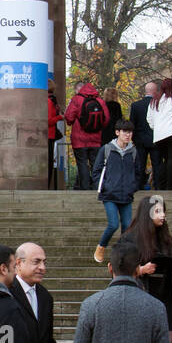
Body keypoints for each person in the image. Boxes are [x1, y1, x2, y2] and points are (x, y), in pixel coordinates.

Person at [124, 194, 172, 343]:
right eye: (157, 211)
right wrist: (141, 270)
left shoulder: (166, 237)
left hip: (166, 291)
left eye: (163, 211)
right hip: (143, 290)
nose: (162, 215)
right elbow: (120, 266)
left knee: (170, 339)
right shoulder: (130, 237)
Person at [91, 119, 137, 264]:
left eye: (130, 132)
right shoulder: (107, 149)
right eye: (124, 132)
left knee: (127, 226)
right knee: (113, 224)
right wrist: (104, 186)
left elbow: (138, 171)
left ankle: (122, 254)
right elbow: (96, 170)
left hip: (126, 195)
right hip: (109, 194)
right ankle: (101, 246)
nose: (127, 135)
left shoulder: (133, 151)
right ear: (117, 132)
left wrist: (132, 186)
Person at [146, 77, 172, 191]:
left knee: (163, 160)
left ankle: (160, 184)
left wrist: (156, 128)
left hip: (159, 136)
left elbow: (149, 118)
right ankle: (170, 186)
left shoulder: (154, 101)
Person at [65, 82, 109, 190]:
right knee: (95, 164)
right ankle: (97, 189)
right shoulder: (99, 100)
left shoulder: (77, 99)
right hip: (96, 139)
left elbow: (69, 117)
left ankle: (85, 189)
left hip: (79, 140)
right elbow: (106, 119)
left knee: (82, 164)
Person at [129, 85, 154, 191]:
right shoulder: (157, 105)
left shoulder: (136, 105)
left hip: (140, 140)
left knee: (140, 164)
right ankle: (158, 186)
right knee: (157, 164)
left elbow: (132, 123)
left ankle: (138, 186)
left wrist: (133, 138)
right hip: (154, 139)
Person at [47, 80, 62, 190]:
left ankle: (47, 185)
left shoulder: (48, 101)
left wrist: (59, 117)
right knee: (49, 161)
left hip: (49, 134)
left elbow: (48, 120)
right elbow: (50, 120)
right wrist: (60, 117)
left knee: (49, 161)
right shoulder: (52, 100)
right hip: (50, 134)